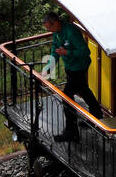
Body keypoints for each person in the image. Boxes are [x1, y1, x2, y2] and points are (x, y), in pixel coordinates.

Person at [43, 12, 103, 142]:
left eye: (49, 27)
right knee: (83, 89)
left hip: (79, 67)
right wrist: (49, 67)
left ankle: (71, 132)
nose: (49, 30)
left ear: (56, 22)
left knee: (66, 97)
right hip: (70, 66)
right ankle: (97, 115)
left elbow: (85, 52)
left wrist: (67, 52)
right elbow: (55, 49)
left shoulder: (71, 32)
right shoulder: (56, 33)